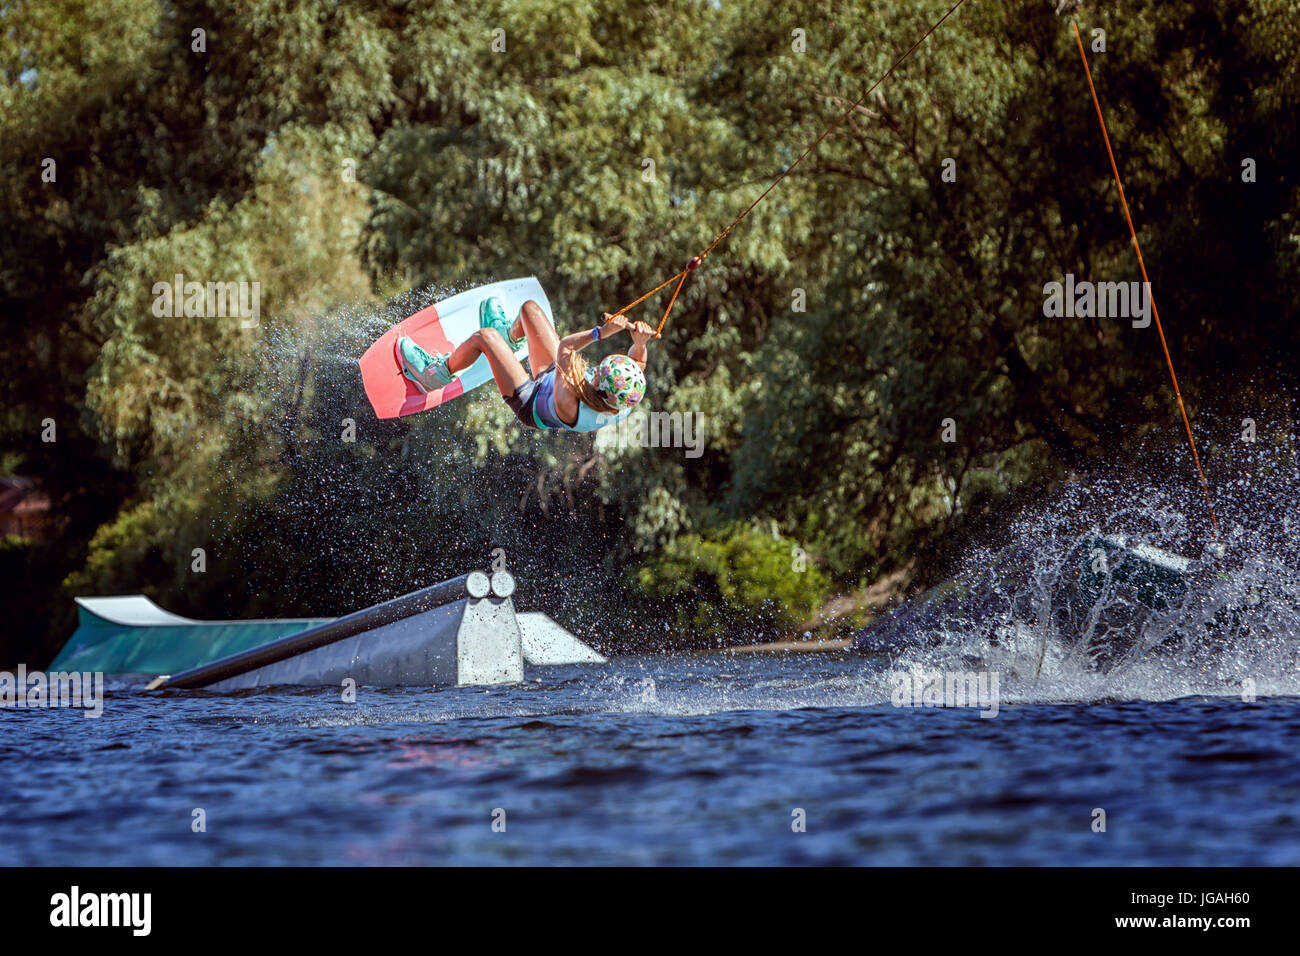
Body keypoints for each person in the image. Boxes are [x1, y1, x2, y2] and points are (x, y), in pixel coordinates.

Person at [396, 296, 651, 432]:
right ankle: (509, 336)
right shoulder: (625, 396)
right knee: (530, 309)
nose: (595, 372)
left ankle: (435, 375)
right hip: (553, 377)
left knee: (486, 337)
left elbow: (566, 347)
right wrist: (640, 343)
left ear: (600, 387)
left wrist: (601, 333)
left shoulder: (570, 405)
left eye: (598, 375)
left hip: (531, 401)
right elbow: (638, 363)